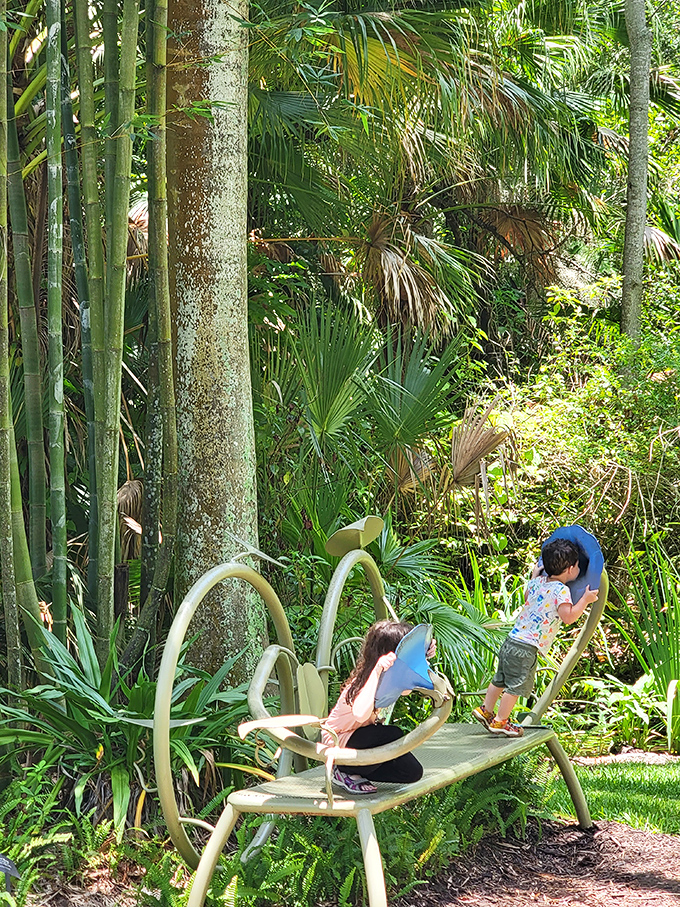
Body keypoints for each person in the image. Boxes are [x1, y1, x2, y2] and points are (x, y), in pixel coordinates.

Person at [472, 538, 599, 738]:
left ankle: (485, 710)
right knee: (515, 686)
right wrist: (585, 599)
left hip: (511, 640)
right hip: (527, 647)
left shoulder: (538, 582)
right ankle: (500, 721)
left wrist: (534, 574)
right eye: (577, 566)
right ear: (569, 569)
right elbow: (568, 617)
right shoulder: (561, 590)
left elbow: (526, 596)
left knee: (500, 679)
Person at [321, 619, 436, 794]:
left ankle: (357, 771)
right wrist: (377, 670)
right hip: (338, 742)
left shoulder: (390, 679)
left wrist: (423, 654)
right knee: (392, 734)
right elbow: (360, 714)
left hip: (364, 740)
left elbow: (406, 689)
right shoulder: (362, 682)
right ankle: (344, 771)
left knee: (412, 772)